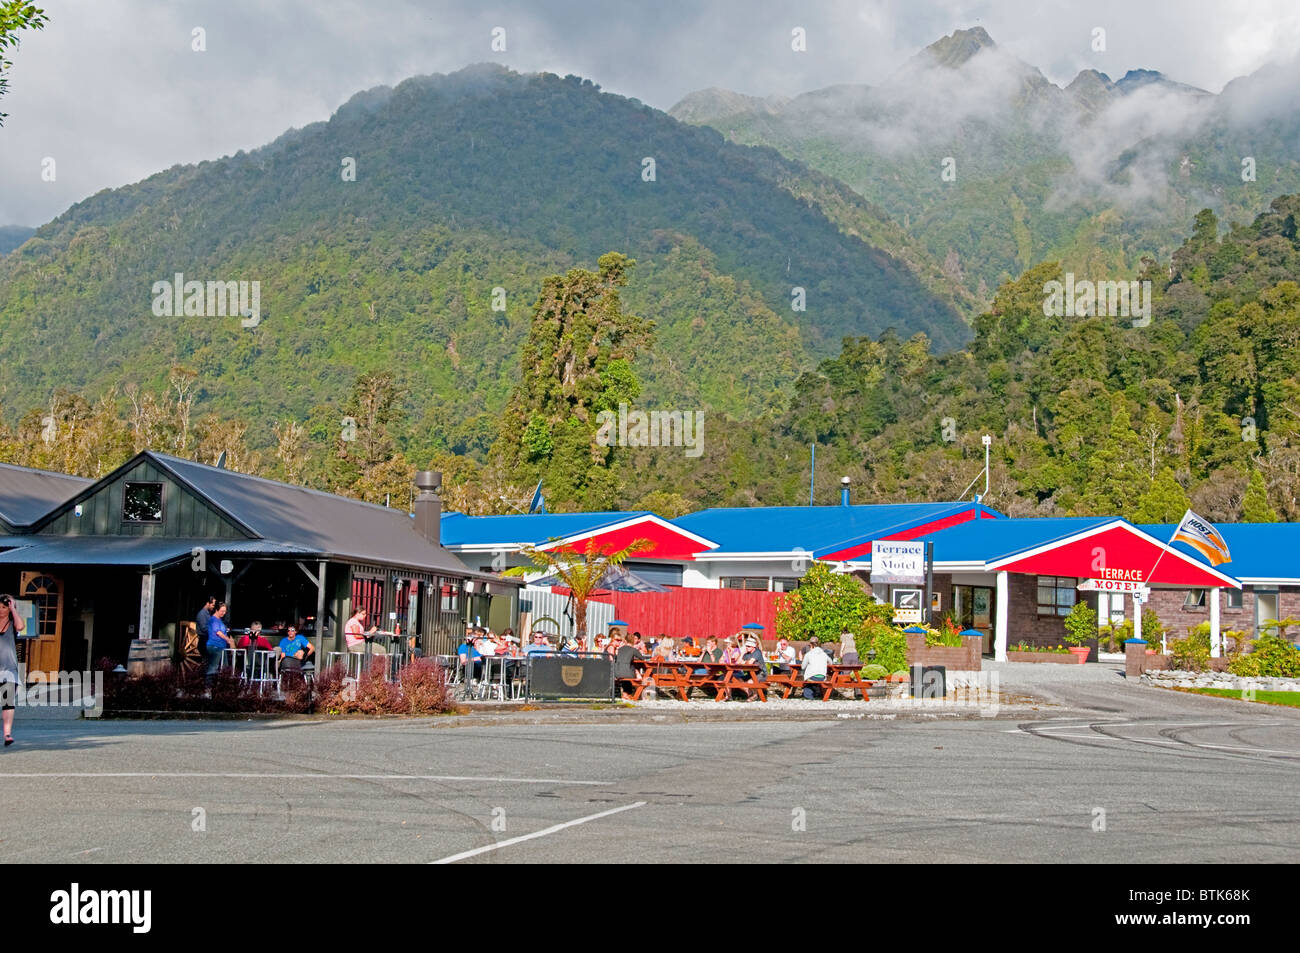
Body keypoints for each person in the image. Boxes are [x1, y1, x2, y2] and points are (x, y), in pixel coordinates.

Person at [0, 593, 26, 746]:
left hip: (9, 670)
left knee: (8, 702)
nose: (1, 610)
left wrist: (13, 609)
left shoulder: (12, 624)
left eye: (4, 607)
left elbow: (21, 626)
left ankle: (7, 734)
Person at [206, 602, 235, 681]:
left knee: (225, 667)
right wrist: (227, 639)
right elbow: (218, 632)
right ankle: (208, 686)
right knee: (213, 667)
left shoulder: (219, 620)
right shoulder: (214, 620)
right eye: (222, 611)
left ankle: (222, 687)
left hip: (222, 647)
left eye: (225, 611)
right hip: (215, 646)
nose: (224, 613)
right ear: (216, 610)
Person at [613, 634, 646, 701]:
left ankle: (625, 694)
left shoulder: (620, 649)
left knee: (626, 675)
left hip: (617, 672)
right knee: (631, 673)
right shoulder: (633, 650)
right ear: (633, 641)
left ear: (625, 640)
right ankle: (627, 694)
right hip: (627, 672)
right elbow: (642, 658)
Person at [194, 595, 216, 665]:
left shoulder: (207, 613)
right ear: (207, 603)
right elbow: (204, 628)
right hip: (204, 641)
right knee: (207, 662)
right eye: (212, 605)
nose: (213, 606)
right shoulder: (202, 614)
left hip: (207, 640)